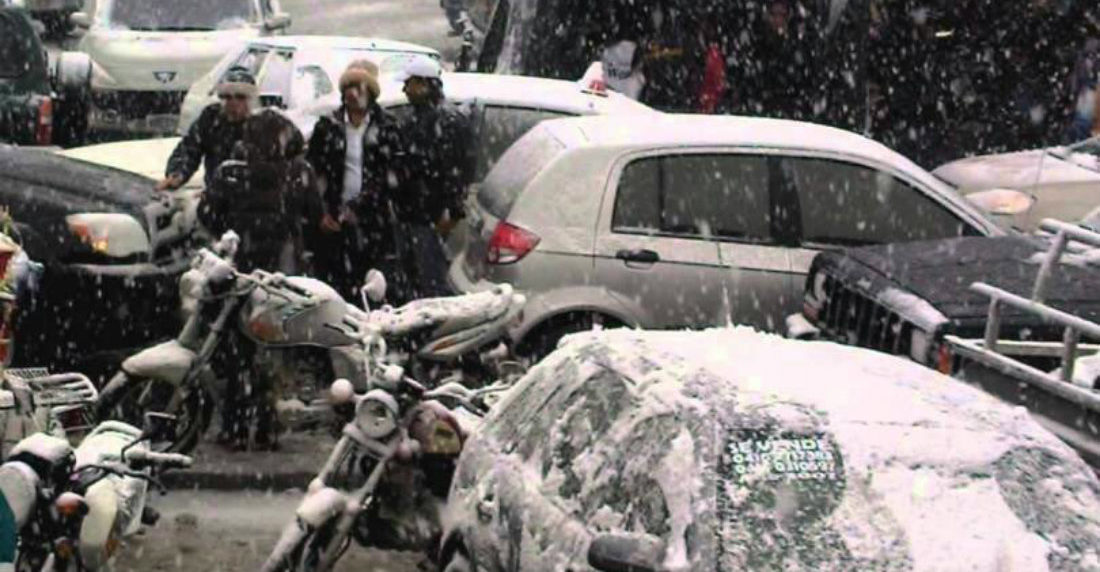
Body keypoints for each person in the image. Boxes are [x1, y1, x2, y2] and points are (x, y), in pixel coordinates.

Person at [199, 109, 320, 450]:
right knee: (272, 350)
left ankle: (235, 427)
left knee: (237, 349)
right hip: (281, 274)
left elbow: (207, 215)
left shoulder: (232, 172)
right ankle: (268, 426)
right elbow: (314, 213)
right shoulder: (299, 173)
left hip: (240, 271)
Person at [307, 61, 402, 301]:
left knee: (371, 287)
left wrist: (360, 206)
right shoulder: (328, 127)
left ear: (370, 93)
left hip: (372, 223)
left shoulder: (387, 127)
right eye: (347, 87)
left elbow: (391, 176)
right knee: (333, 288)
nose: (352, 93)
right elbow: (313, 173)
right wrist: (322, 213)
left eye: (358, 87)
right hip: (333, 223)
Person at [389, 56, 474, 304]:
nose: (404, 90)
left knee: (433, 285)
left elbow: (458, 172)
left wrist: (450, 212)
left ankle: (436, 332)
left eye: (409, 84)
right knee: (416, 283)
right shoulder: (418, 119)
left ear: (424, 85)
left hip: (430, 219)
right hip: (413, 216)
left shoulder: (446, 123)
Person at [159, 66, 256, 191]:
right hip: (216, 195)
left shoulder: (264, 125)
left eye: (240, 97)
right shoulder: (211, 118)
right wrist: (177, 174)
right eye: (226, 96)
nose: (233, 102)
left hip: (255, 198)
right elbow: (190, 148)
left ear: (251, 99)